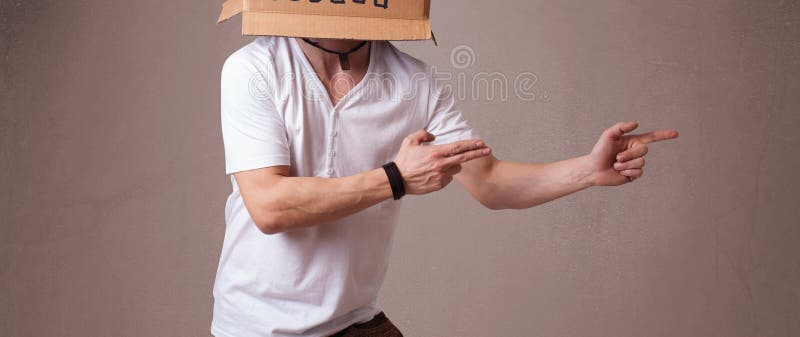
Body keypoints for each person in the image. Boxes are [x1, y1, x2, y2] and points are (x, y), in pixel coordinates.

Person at [210, 36, 678, 337]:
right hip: (257, 327)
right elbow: (269, 207)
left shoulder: (414, 81)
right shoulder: (254, 69)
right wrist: (395, 178)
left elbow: (489, 182)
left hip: (354, 320)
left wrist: (588, 170)